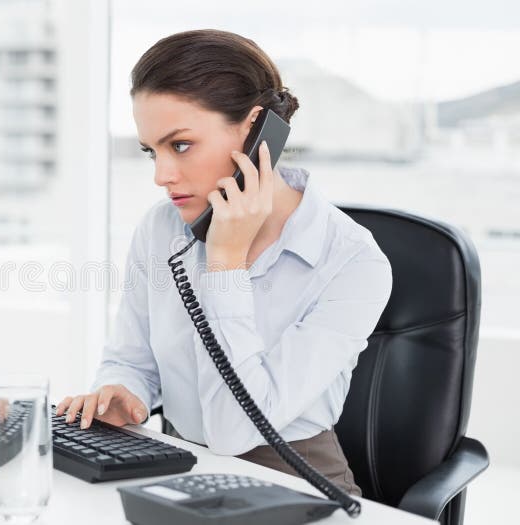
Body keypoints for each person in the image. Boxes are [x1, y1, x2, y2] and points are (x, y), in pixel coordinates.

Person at [55, 29, 392, 495]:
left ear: (256, 130)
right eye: (151, 151)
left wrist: (226, 264)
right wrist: (122, 391)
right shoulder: (162, 228)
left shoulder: (353, 262)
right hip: (179, 470)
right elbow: (131, 359)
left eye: (181, 145)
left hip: (297, 484)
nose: (162, 176)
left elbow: (234, 430)